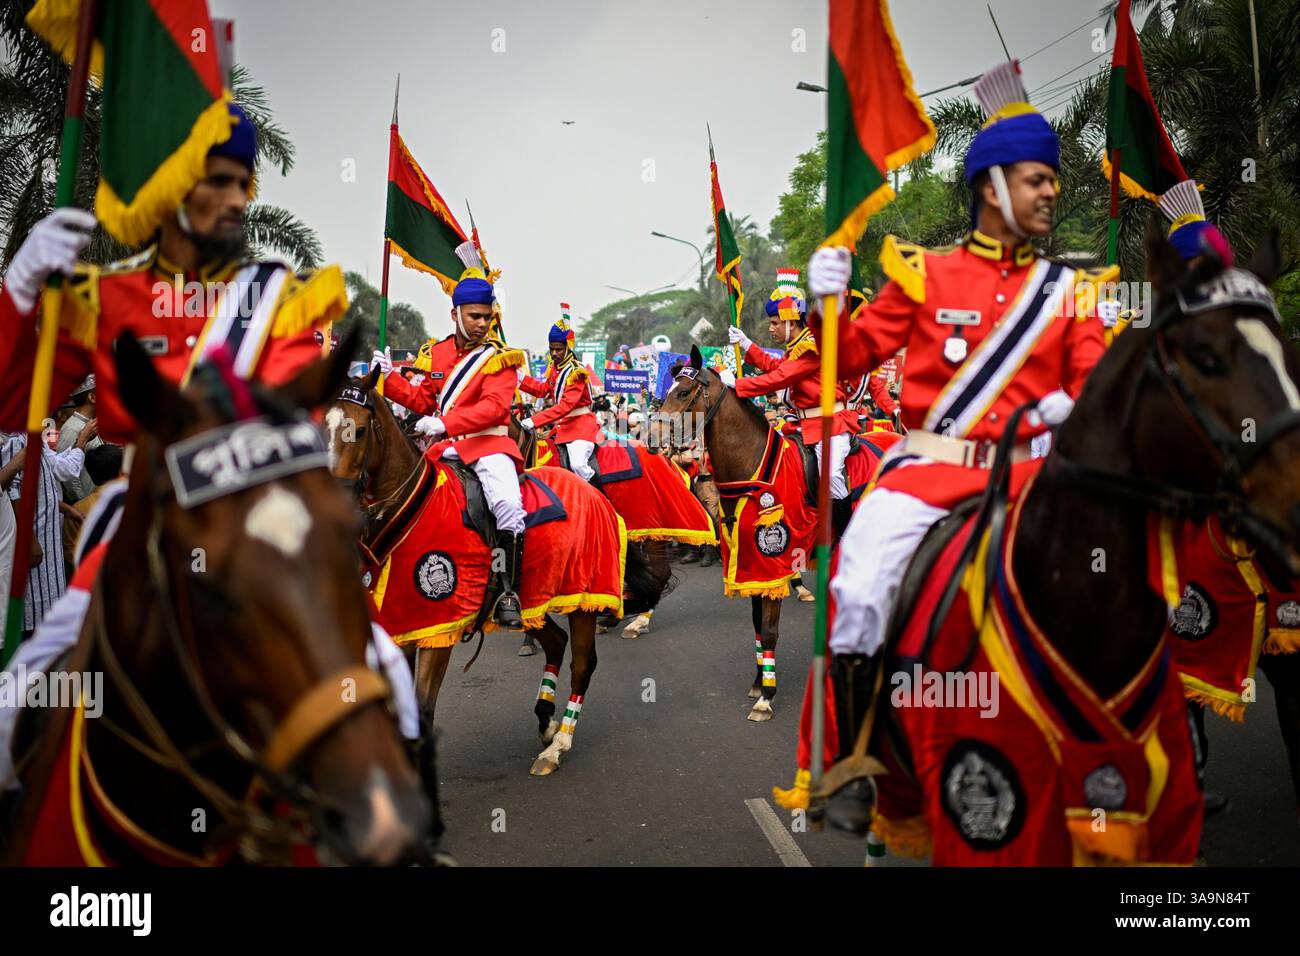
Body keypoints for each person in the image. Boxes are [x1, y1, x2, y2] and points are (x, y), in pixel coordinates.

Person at [801, 60, 1116, 820]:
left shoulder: (1068, 293)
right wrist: (825, 302)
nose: (1051, 192)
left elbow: (1097, 382)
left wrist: (1065, 411)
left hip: (1036, 480)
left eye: (1052, 179)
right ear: (992, 187)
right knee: (858, 587)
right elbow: (851, 352)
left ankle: (1142, 763)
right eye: (1037, 179)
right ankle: (857, 760)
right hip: (929, 477)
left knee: (1133, 580)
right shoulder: (922, 277)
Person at [372, 258, 528, 629]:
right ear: (454, 312)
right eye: (474, 316)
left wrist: (442, 422)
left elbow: (494, 409)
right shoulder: (436, 352)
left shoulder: (500, 357)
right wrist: (389, 378)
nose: (482, 323)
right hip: (445, 449)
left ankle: (507, 591)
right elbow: (424, 399)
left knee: (508, 505)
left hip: (488, 447)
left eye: (486, 317)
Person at [726, 268, 860, 529]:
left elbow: (779, 379)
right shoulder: (796, 347)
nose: (771, 328)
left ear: (791, 322)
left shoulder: (811, 347)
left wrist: (738, 383)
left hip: (830, 424)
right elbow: (777, 368)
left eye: (775, 323)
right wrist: (747, 345)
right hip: (803, 425)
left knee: (831, 475)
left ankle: (845, 533)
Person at [0, 423, 95, 636]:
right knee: (33, 611)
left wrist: (64, 508)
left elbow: (48, 477)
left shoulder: (31, 436)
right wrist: (29, 538)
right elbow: (11, 490)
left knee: (49, 604)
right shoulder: (15, 440)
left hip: (47, 535)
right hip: (35, 535)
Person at [517, 314, 602, 482]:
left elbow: (565, 406)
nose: (554, 353)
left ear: (568, 347)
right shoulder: (555, 368)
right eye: (551, 349)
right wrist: (519, 377)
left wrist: (535, 421)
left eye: (559, 349)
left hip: (581, 425)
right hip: (563, 426)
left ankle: (597, 496)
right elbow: (543, 390)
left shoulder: (576, 372)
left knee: (578, 465)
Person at [55, 373, 101, 502]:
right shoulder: (72, 428)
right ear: (92, 397)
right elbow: (67, 475)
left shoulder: (88, 424)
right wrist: (82, 503)